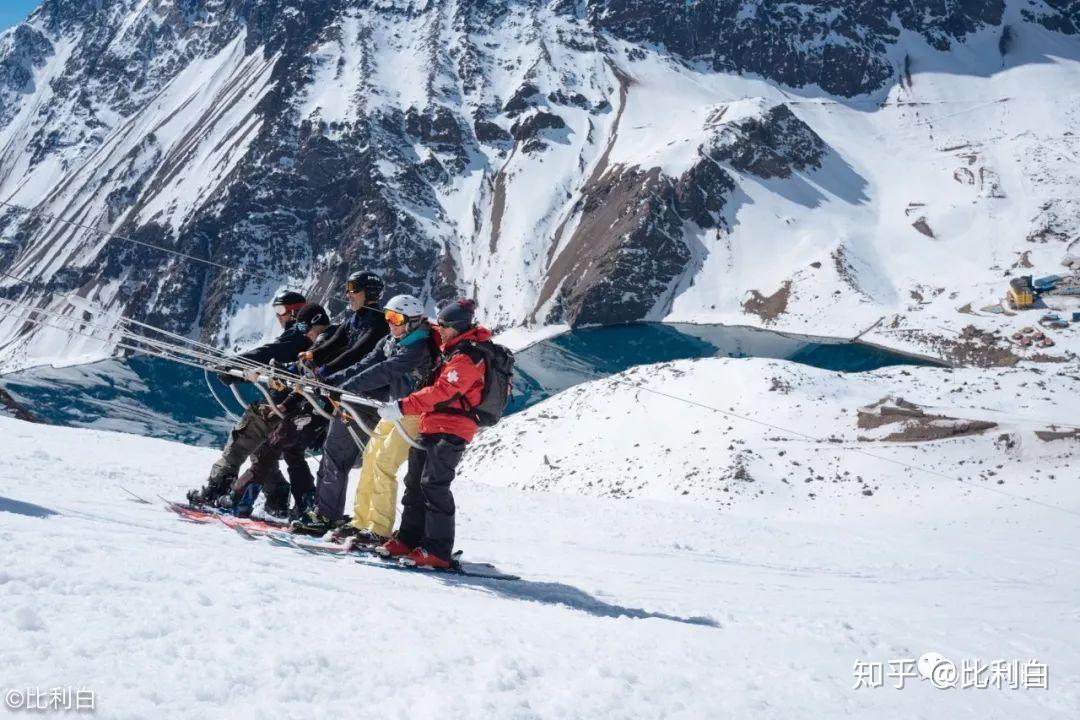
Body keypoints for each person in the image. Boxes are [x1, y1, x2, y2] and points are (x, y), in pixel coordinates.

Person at [291, 294, 435, 538]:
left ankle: (379, 529)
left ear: (411, 321)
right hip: (393, 410)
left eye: (396, 318)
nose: (390, 322)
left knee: (384, 464)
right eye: (388, 316)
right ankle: (361, 522)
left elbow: (384, 371)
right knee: (370, 460)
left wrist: (345, 387)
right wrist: (329, 381)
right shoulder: (391, 341)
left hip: (413, 413)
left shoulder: (416, 347)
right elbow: (365, 364)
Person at [375, 298, 492, 569]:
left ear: (459, 327)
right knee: (414, 482)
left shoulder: (467, 358)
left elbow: (442, 392)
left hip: (453, 428)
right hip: (431, 424)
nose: (441, 330)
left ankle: (437, 549)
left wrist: (403, 406)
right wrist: (408, 318)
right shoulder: (452, 346)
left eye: (445, 326)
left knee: (434, 485)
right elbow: (431, 328)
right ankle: (408, 539)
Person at [186, 291, 311, 507]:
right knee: (263, 450)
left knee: (242, 441)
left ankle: (217, 488)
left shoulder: (296, 336)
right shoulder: (308, 336)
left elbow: (269, 353)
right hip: (298, 405)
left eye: (280, 311)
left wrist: (234, 365)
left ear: (293, 312)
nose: (278, 317)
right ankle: (277, 497)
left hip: (277, 404)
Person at [288, 272, 389, 526]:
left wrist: (325, 371)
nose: (348, 294)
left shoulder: (378, 323)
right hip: (349, 396)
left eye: (354, 289)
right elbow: (336, 342)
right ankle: (322, 512)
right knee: (332, 452)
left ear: (370, 293)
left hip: (364, 398)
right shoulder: (356, 318)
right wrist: (312, 357)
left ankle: (326, 516)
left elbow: (358, 353)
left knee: (336, 454)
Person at [224, 304, 340, 518]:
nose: (304, 332)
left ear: (316, 321)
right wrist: (284, 403)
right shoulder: (328, 339)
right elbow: (304, 380)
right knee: (292, 452)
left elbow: (305, 373)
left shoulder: (326, 340)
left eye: (305, 326)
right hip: (318, 409)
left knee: (270, 447)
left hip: (317, 409)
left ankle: (240, 499)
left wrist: (277, 371)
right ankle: (306, 503)